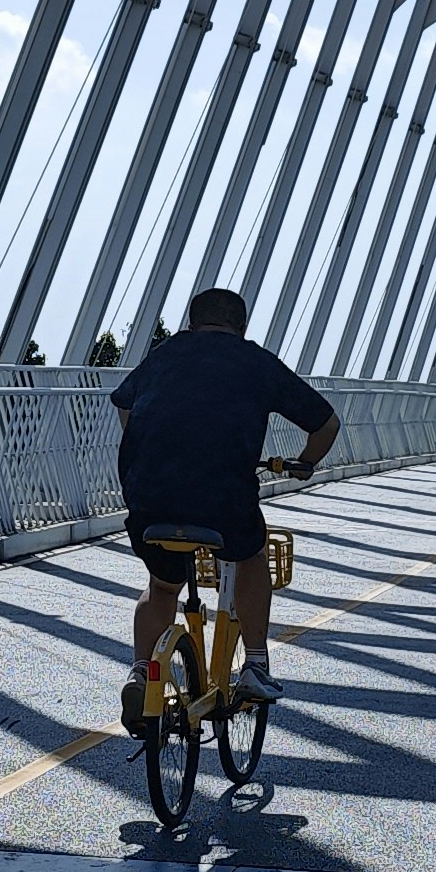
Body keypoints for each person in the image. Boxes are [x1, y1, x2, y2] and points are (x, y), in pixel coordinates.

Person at [111, 285, 338, 725]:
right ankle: (255, 664)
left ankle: (141, 674)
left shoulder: (165, 354)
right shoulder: (254, 361)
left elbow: (126, 407)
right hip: (223, 500)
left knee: (162, 587)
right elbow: (326, 424)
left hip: (149, 495)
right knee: (251, 555)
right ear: (242, 327)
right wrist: (305, 463)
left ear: (191, 323)